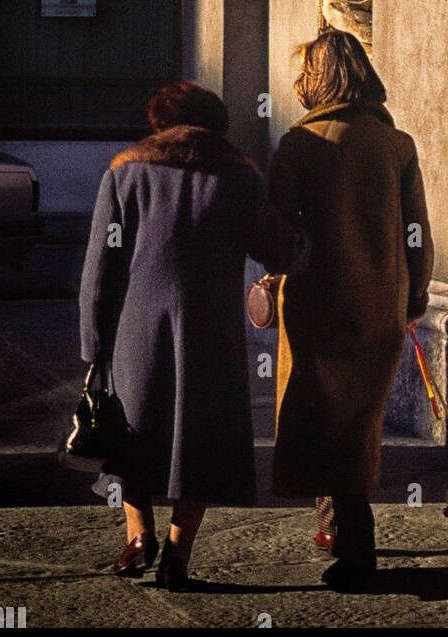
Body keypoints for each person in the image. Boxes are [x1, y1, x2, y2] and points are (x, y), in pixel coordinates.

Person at [79, 81, 307, 589]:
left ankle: (139, 536)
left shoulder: (125, 173)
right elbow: (279, 251)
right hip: (211, 333)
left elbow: (99, 269)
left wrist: (93, 346)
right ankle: (177, 559)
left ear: (159, 121)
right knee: (201, 441)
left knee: (129, 431)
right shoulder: (240, 177)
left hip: (135, 328)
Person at [267, 29, 434, 590]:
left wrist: (287, 261)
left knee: (316, 417)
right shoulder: (397, 144)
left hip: (316, 307)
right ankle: (338, 531)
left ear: (319, 81)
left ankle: (354, 546)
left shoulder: (299, 145)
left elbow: (273, 233)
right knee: (358, 425)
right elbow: (417, 235)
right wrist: (414, 300)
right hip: (378, 309)